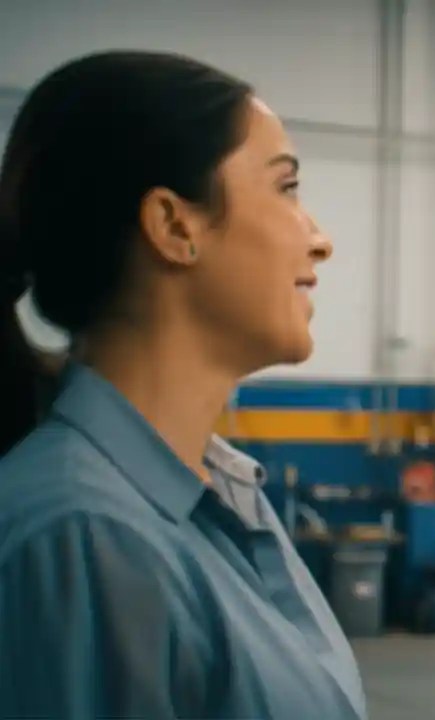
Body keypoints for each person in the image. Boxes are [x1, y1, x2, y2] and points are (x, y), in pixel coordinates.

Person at [0, 51, 366, 719]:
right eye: (286, 188)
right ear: (174, 226)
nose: (320, 239)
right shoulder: (84, 539)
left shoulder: (224, 495)